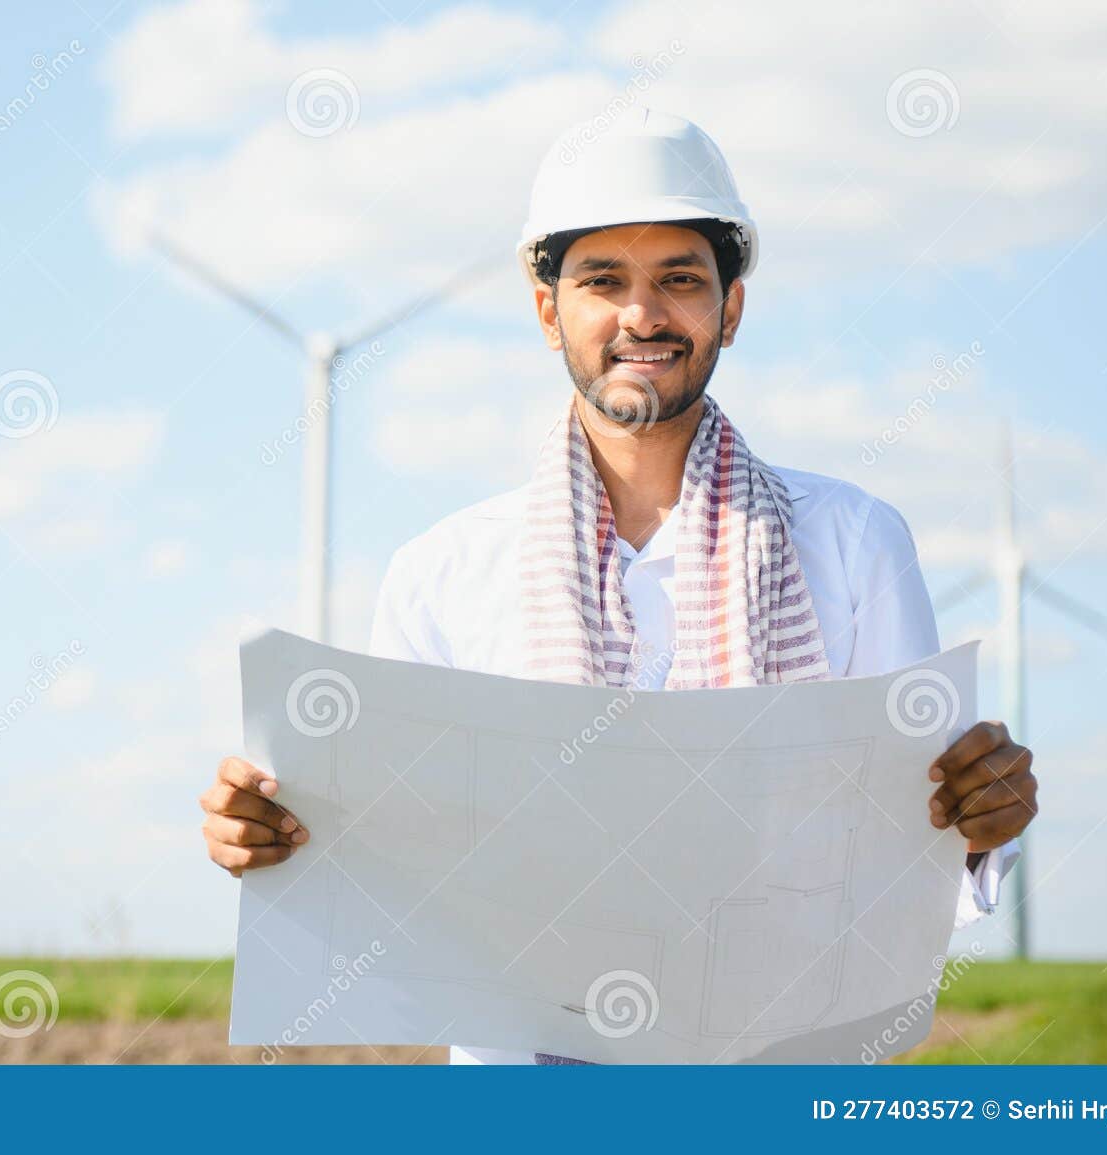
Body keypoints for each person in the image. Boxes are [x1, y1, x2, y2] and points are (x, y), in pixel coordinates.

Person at [200, 109, 1038, 1065]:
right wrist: (274, 837)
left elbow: (911, 848)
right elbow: (390, 862)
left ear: (732, 307)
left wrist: (978, 823)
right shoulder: (444, 573)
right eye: (603, 281)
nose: (643, 314)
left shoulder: (851, 544)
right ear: (549, 308)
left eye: (680, 279)